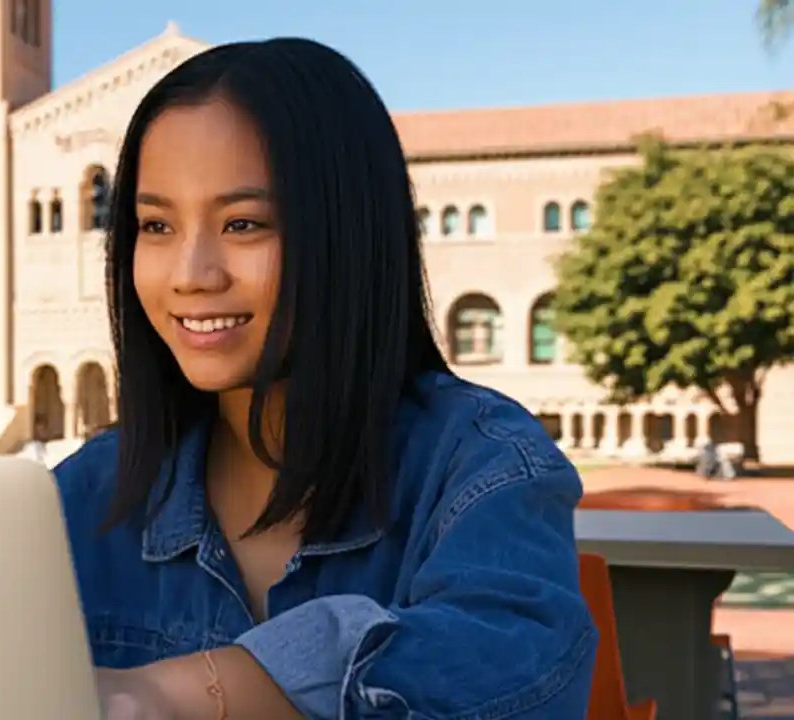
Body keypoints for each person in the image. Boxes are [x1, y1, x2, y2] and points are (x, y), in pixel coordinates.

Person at [54, 38, 597, 719]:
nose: (191, 273)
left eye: (243, 223)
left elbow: (514, 670)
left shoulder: (482, 465)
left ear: (347, 233)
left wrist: (166, 694)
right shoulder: (80, 498)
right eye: (155, 224)